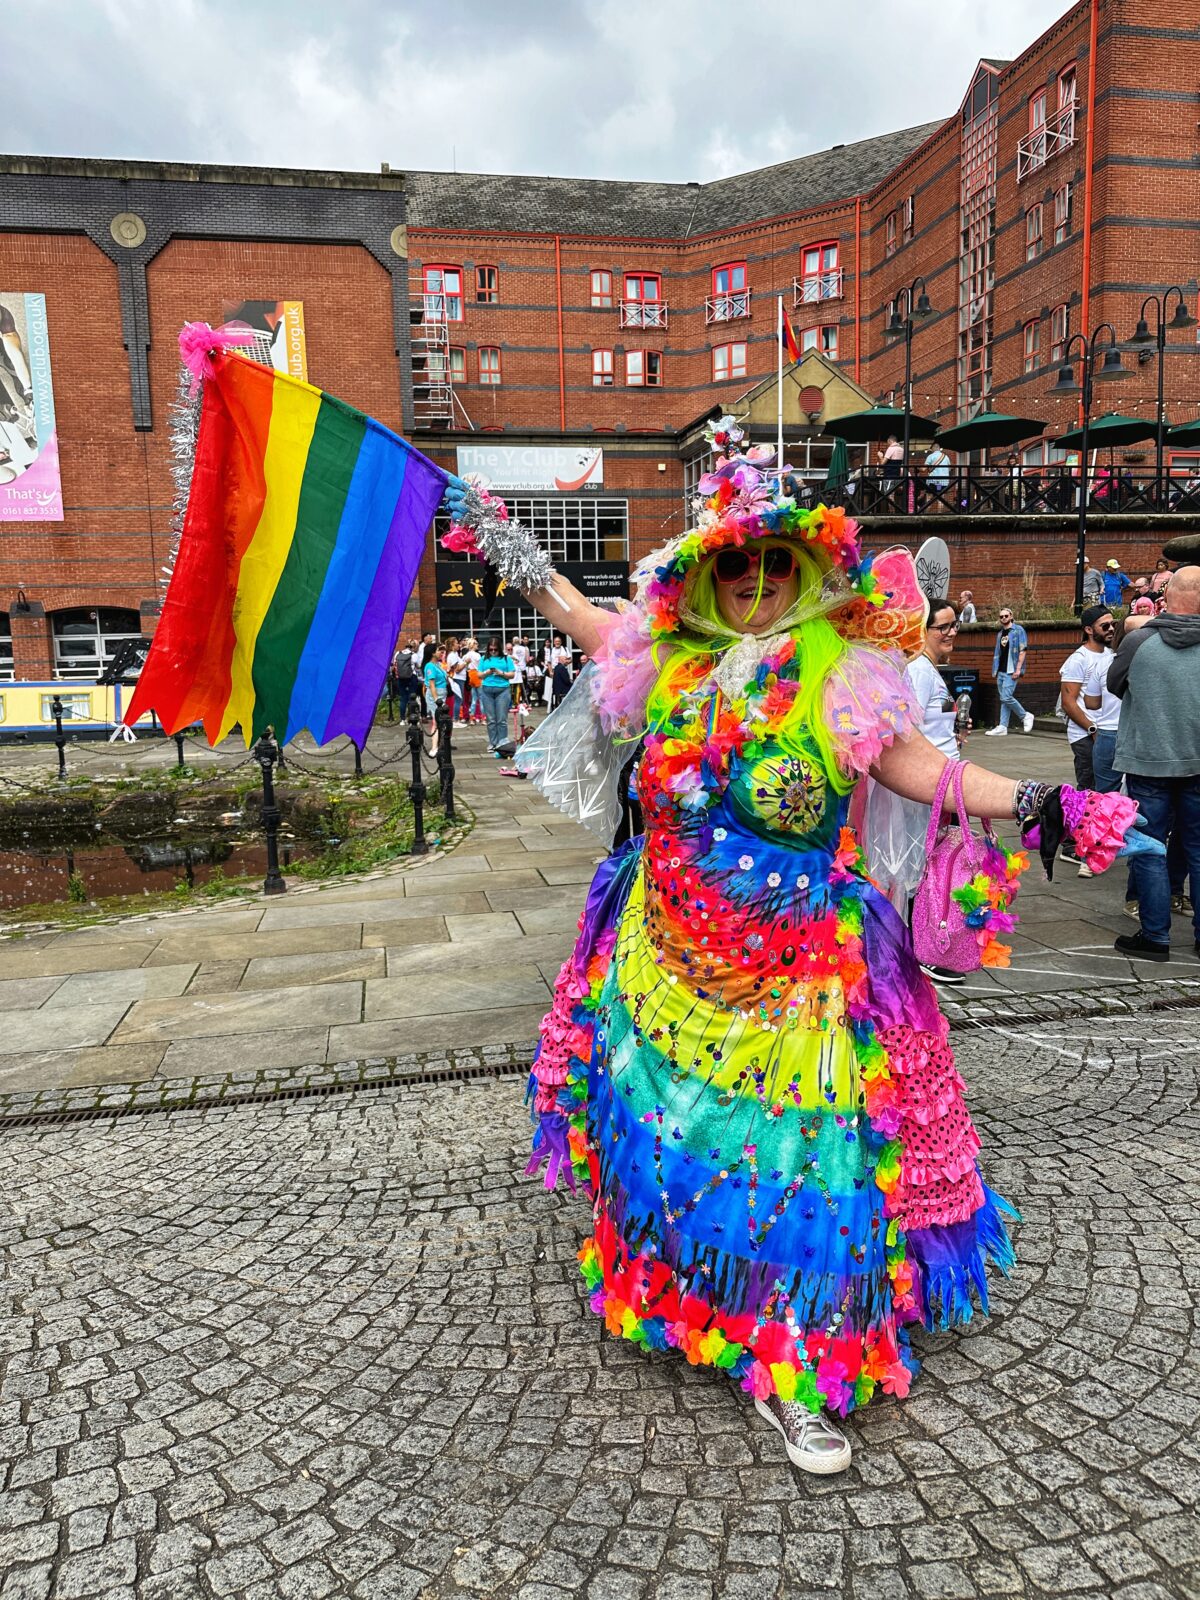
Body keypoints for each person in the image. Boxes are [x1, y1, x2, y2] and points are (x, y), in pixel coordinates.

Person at [438, 420, 1135, 1475]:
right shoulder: (667, 669)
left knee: (807, 1159)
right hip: (670, 948)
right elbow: (578, 614)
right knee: (669, 1131)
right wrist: (497, 532)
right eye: (735, 564)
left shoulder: (844, 677)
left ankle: (798, 1357)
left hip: (804, 968)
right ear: (705, 581)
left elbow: (924, 772)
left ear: (806, 568)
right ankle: (684, 1287)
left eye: (778, 561)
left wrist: (1042, 799)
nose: (757, 581)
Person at [1108, 565, 1200, 962]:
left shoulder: (1139, 640)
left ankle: (1155, 936)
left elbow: (1115, 684)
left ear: (1167, 597)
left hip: (1148, 761)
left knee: (1149, 848)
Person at [1058, 607, 1119, 877]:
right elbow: (1068, 701)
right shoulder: (1078, 659)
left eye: (1112, 624)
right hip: (1085, 734)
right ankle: (1072, 845)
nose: (1110, 629)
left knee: (1103, 793)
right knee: (1088, 791)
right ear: (1088, 629)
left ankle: (1098, 842)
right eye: (1104, 625)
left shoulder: (1112, 656)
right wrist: (1092, 729)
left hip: (1106, 731)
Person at [985, 607, 1033, 735]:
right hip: (1000, 670)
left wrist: (1018, 669)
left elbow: (1023, 650)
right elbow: (998, 653)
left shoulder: (1018, 630)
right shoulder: (1000, 634)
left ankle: (1025, 716)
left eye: (1006, 616)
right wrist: (995, 670)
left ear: (1011, 616)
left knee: (1006, 697)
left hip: (1011, 671)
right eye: (1001, 617)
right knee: (1004, 699)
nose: (1003, 618)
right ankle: (1003, 726)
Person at [477, 635, 516, 754]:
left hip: (502, 689)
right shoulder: (484, 659)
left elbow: (512, 674)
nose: (493, 651)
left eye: (495, 649)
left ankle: (502, 742)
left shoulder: (506, 659)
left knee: (501, 719)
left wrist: (501, 673)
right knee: (491, 719)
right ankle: (493, 742)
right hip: (487, 689)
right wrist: (487, 672)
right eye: (491, 649)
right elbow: (479, 675)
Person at [391, 637, 420, 722]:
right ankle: (412, 718)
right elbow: (418, 666)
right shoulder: (414, 655)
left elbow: (394, 664)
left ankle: (402, 719)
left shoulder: (398, 653)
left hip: (400, 677)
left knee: (403, 698)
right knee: (412, 697)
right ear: (413, 647)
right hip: (412, 677)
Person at [422, 644, 448, 726]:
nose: (441, 652)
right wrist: (436, 700)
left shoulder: (437, 664)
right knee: (437, 721)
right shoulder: (430, 666)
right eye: (438, 650)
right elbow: (432, 684)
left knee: (440, 721)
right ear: (433, 653)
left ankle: (439, 738)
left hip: (442, 693)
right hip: (435, 695)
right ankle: (436, 739)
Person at [923, 443, 950, 510]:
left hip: (933, 481)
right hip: (943, 482)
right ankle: (939, 514)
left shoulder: (931, 456)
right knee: (941, 498)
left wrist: (918, 469)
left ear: (933, 448)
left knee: (929, 498)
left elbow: (924, 468)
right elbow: (949, 468)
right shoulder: (946, 457)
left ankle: (926, 514)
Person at [549, 634, 573, 708]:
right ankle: (555, 704)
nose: (557, 643)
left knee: (564, 684)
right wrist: (550, 671)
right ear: (554, 642)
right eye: (556, 641)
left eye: (558, 641)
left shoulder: (565, 649)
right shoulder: (551, 650)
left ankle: (563, 704)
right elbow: (549, 662)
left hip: (562, 669)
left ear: (561, 642)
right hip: (554, 670)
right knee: (556, 688)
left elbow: (570, 659)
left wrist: (565, 662)